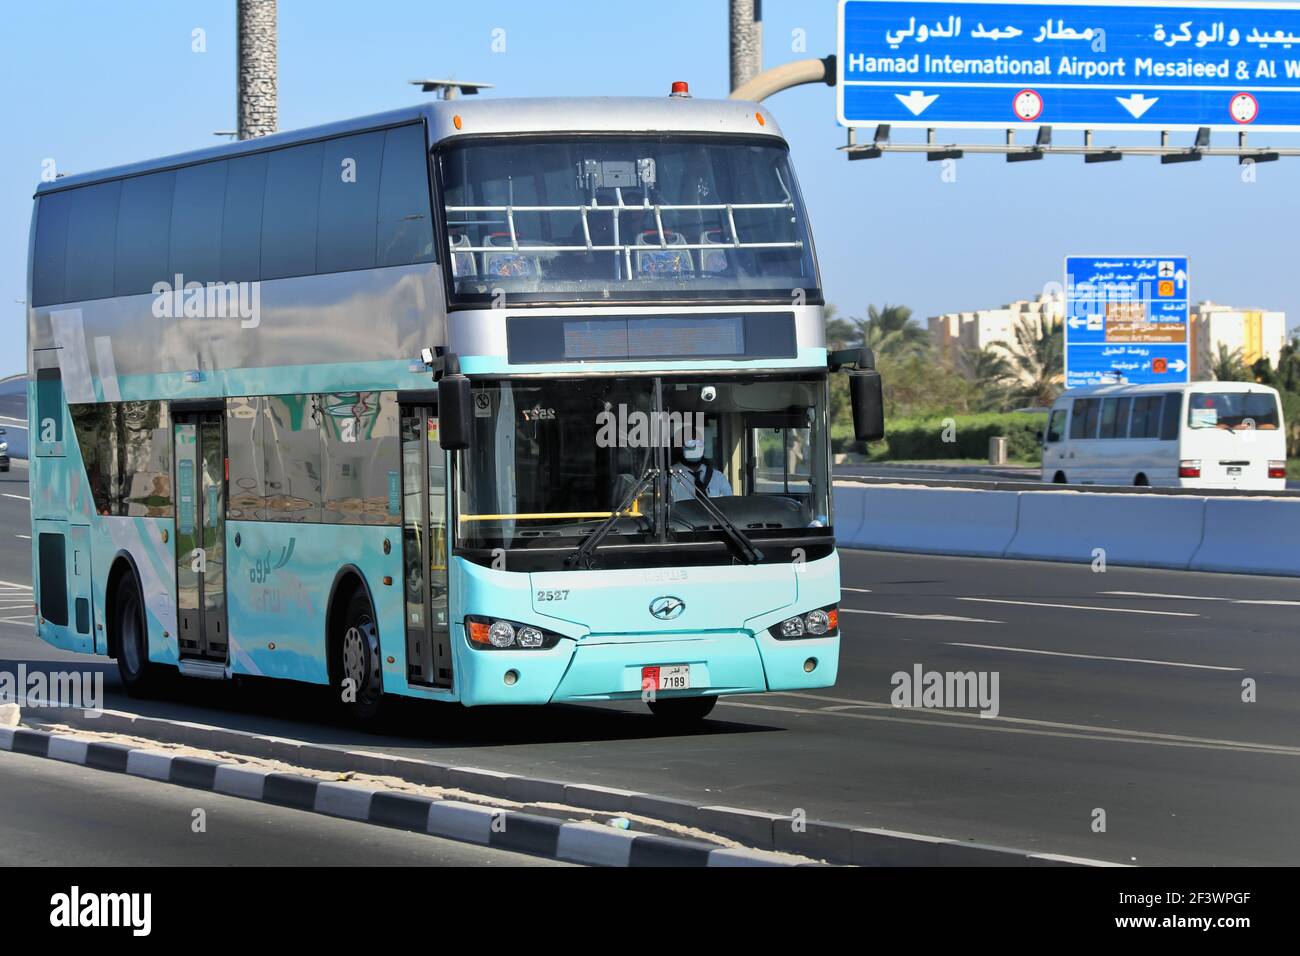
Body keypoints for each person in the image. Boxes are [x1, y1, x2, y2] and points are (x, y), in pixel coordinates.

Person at [670, 436, 733, 501]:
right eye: (689, 444)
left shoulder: (718, 477)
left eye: (699, 444)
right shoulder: (671, 477)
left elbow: (728, 503)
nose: (694, 449)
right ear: (680, 449)